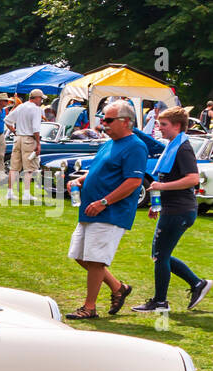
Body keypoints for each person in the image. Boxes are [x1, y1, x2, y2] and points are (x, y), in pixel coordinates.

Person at [62, 102, 146, 320]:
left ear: (126, 122)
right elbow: (97, 170)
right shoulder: (109, 143)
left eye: (108, 120)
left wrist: (104, 202)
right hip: (90, 209)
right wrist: (79, 180)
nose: (103, 124)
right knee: (80, 256)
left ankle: (89, 307)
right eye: (103, 119)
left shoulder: (135, 146)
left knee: (96, 260)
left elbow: (134, 181)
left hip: (110, 213)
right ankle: (118, 287)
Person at [133, 107, 211, 314]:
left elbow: (192, 179)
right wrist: (156, 203)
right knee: (160, 255)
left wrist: (161, 187)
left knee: (160, 256)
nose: (159, 128)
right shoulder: (173, 146)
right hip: (172, 209)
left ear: (177, 126)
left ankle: (160, 302)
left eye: (163, 124)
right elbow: (167, 176)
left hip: (179, 210)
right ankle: (197, 284)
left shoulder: (183, 148)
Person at [7, 88, 44, 202]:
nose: (41, 101)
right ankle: (26, 194)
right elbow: (35, 129)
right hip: (29, 139)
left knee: (14, 167)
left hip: (18, 138)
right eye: (41, 98)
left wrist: (14, 131)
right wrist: (38, 143)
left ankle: (10, 192)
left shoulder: (21, 106)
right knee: (29, 168)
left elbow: (7, 120)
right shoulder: (36, 109)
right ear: (37, 98)